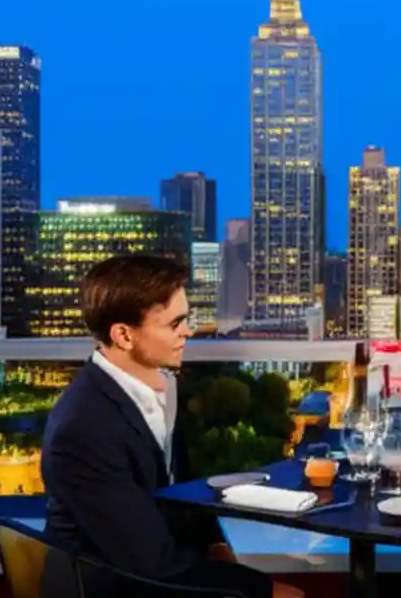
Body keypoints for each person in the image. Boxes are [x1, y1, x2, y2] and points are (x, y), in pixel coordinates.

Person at [41, 255, 303, 598]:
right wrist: (258, 588)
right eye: (174, 323)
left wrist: (215, 544)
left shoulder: (160, 390)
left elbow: (182, 486)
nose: (187, 331)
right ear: (123, 335)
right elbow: (150, 562)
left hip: (155, 571)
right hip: (113, 587)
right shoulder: (83, 429)